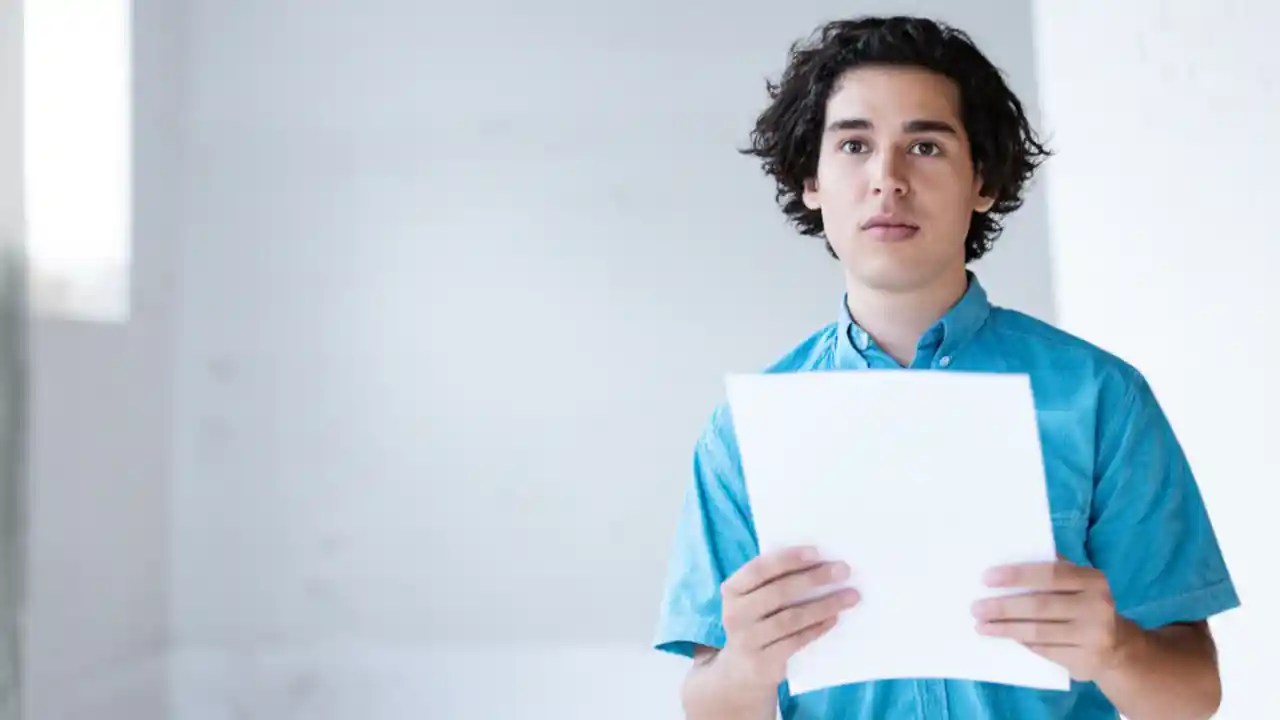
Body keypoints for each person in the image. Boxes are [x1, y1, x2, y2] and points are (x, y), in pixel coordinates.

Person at [652, 15, 1238, 720]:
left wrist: (1114, 648)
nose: (888, 180)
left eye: (925, 145)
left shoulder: (1100, 399)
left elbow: (1192, 697)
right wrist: (746, 667)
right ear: (811, 180)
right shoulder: (741, 433)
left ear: (982, 181)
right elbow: (708, 704)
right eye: (855, 145)